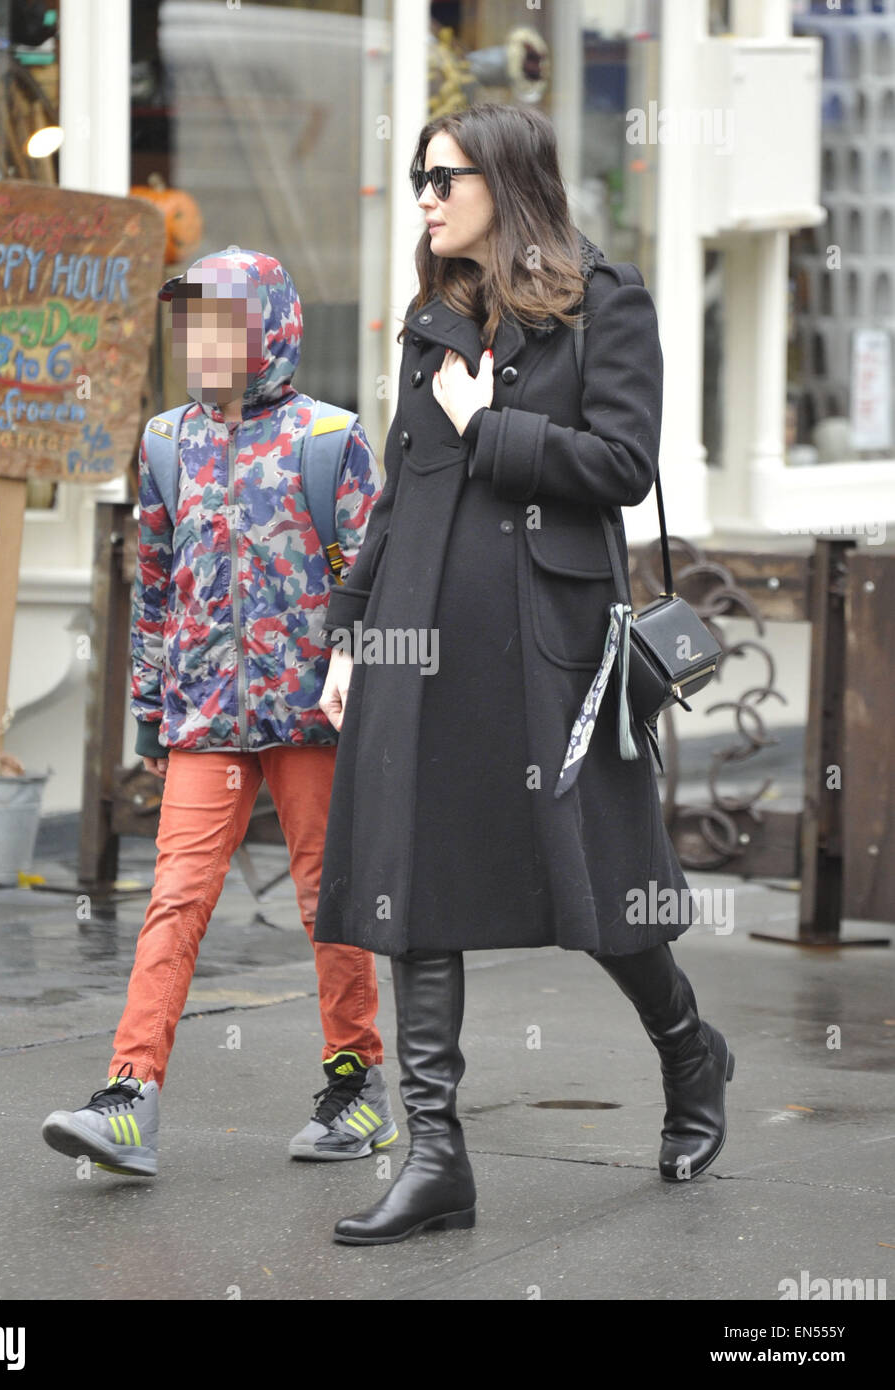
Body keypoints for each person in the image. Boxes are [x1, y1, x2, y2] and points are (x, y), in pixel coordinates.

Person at [314, 104, 735, 1244]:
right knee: (408, 884)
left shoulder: (606, 299)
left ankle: (690, 1053)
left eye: (442, 177)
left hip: (547, 648)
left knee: (595, 886)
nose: (425, 198)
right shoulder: (434, 313)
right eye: (416, 178)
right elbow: (402, 488)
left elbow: (622, 463)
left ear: (504, 178)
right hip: (418, 639)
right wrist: (349, 631)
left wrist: (492, 423)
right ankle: (435, 1157)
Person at [42, 249, 396, 1176]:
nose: (200, 342)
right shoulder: (166, 441)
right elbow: (154, 586)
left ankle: (356, 1086)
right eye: (190, 323)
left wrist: (364, 679)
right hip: (204, 717)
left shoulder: (331, 439)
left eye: (221, 322)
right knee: (176, 896)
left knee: (330, 900)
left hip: (316, 716)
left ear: (270, 328)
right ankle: (129, 1095)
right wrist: (153, 713)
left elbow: (373, 580)